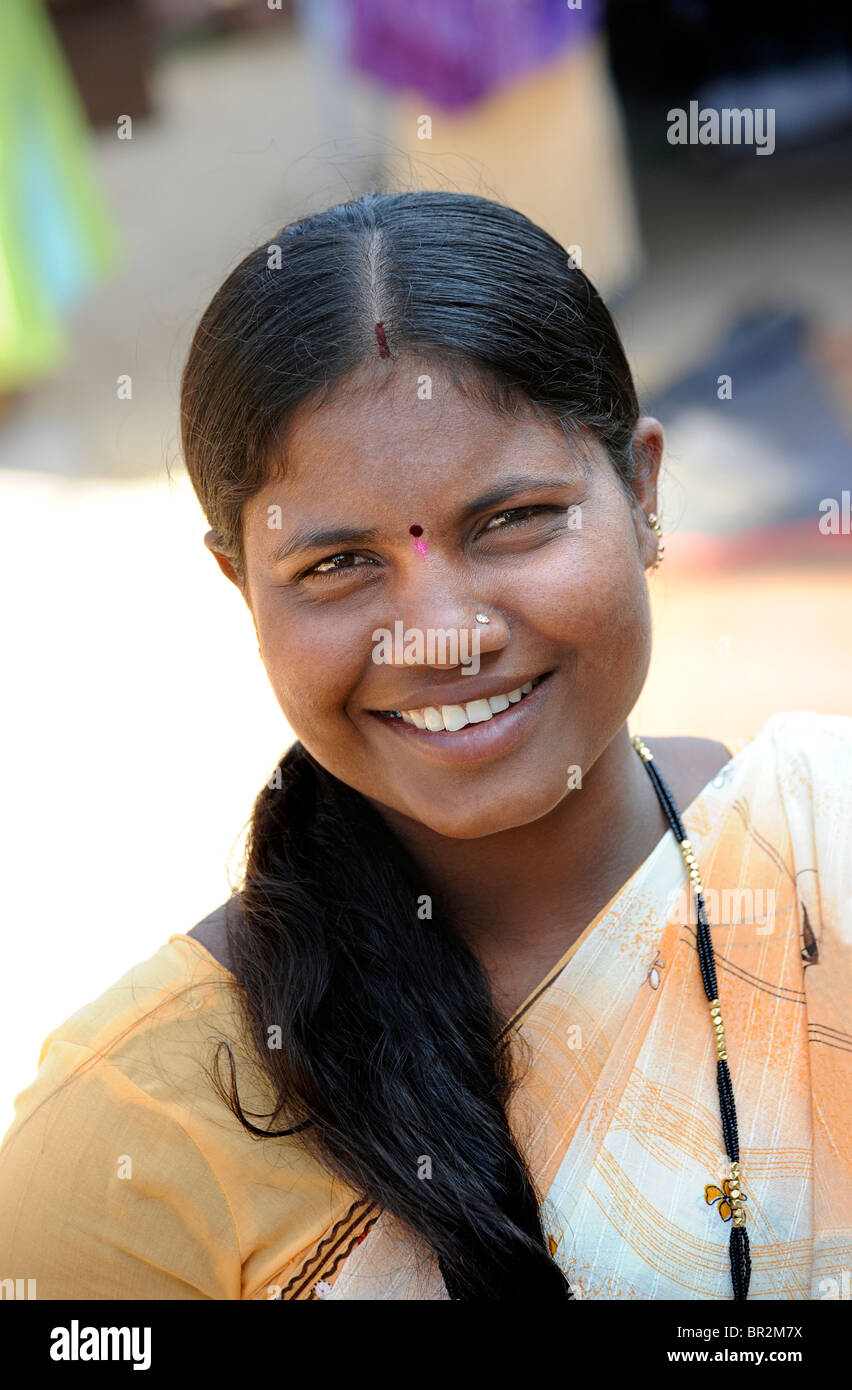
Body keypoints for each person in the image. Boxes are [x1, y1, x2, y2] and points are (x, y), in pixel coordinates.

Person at [1, 190, 849, 1300]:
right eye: (338, 565)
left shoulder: (819, 859)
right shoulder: (134, 1136)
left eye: (512, 520)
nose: (443, 633)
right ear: (240, 586)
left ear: (643, 494)